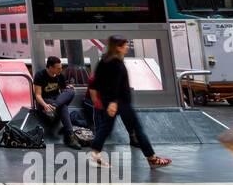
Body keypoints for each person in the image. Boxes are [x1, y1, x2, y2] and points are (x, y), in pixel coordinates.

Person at [88, 36, 171, 169]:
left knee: (106, 127)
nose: (127, 47)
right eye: (125, 45)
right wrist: (113, 102)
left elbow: (96, 82)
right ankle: (152, 158)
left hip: (111, 101)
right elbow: (116, 84)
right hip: (121, 102)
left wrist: (105, 99)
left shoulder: (104, 60)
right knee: (138, 129)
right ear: (118, 47)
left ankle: (95, 154)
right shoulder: (116, 63)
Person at [33, 56, 80, 149]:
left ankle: (55, 106)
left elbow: (64, 93)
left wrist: (68, 88)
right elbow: (38, 95)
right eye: (58, 68)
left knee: (70, 91)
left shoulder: (60, 76)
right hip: (45, 100)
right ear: (50, 68)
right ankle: (70, 136)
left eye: (61, 67)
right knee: (63, 107)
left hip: (56, 101)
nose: (61, 69)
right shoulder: (40, 75)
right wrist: (45, 105)